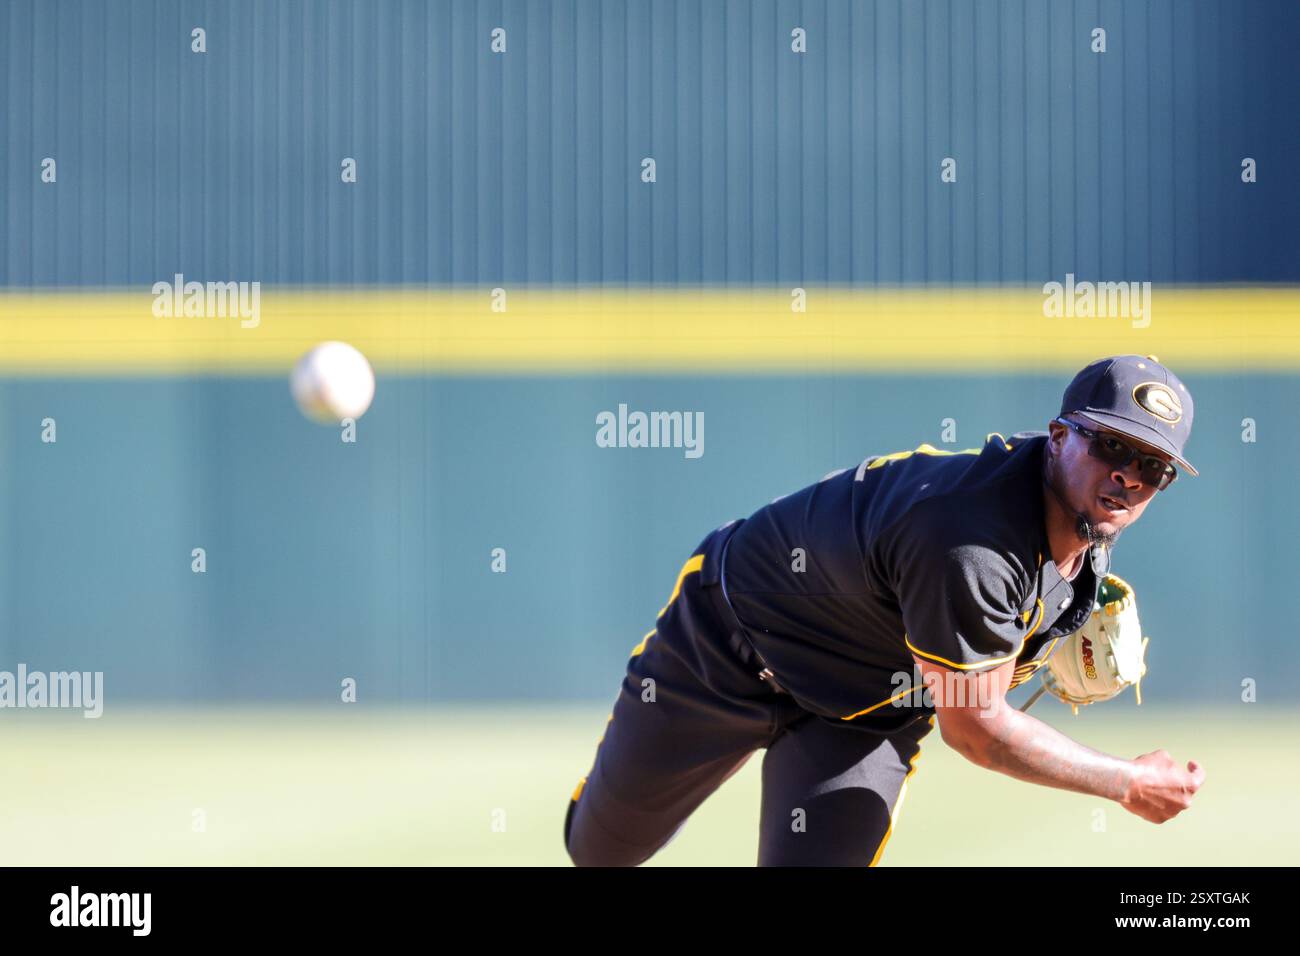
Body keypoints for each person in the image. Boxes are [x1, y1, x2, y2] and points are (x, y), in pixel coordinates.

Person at [565, 354, 1205, 866]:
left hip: (864, 712)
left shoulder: (1086, 540)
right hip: (728, 645)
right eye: (1113, 447)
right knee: (600, 852)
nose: (1130, 476)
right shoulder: (971, 539)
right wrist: (1125, 780)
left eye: (1154, 466)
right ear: (1060, 437)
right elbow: (976, 732)